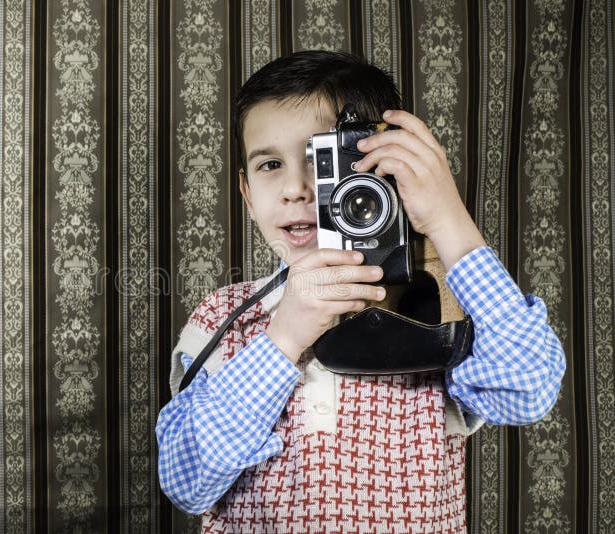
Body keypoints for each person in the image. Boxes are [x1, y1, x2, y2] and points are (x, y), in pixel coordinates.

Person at [156, 50, 565, 533]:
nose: (295, 188)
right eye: (270, 165)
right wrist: (281, 340)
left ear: (385, 169)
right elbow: (187, 483)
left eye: (321, 160)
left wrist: (446, 219)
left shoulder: (438, 302)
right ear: (246, 192)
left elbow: (528, 391)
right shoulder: (225, 316)